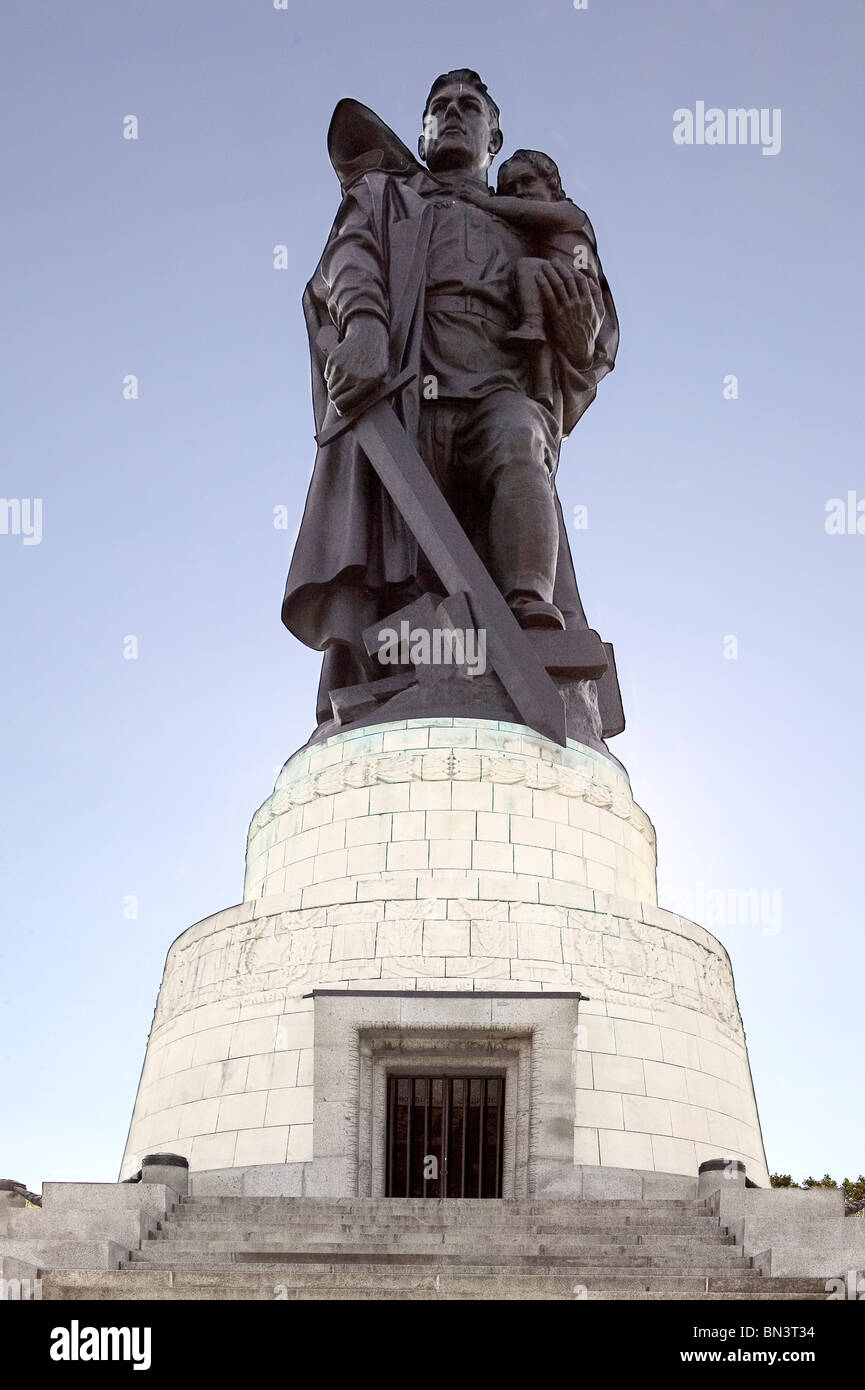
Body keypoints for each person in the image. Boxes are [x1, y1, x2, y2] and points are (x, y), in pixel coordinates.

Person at [282, 70, 619, 729]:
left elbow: (587, 321)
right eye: (441, 108)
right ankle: (408, 676)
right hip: (404, 385)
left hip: (496, 383)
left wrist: (580, 340)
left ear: (494, 136)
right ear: (422, 133)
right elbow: (346, 260)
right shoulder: (387, 195)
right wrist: (366, 327)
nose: (455, 115)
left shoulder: (532, 224)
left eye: (470, 108)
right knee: (401, 552)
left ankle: (528, 613)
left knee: (520, 444)